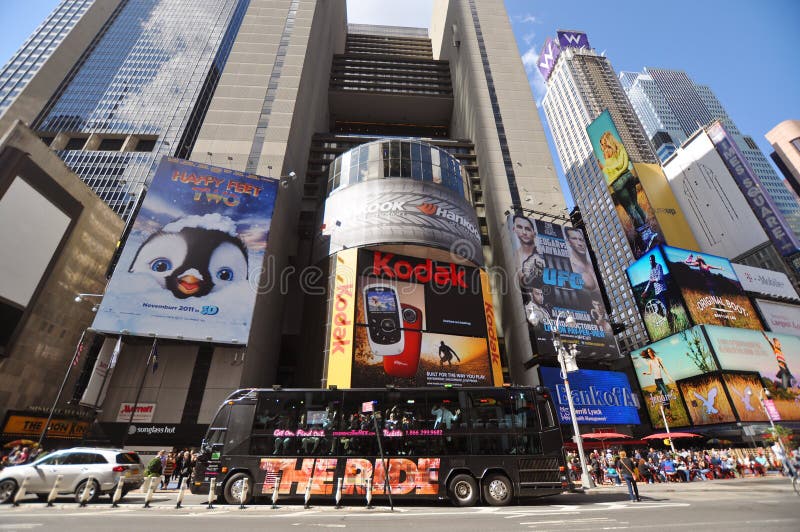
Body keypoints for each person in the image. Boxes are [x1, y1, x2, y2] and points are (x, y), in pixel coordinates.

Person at [597, 130, 656, 251]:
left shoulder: (607, 153)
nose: (603, 147)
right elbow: (624, 163)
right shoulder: (621, 148)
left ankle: (646, 236)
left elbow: (610, 170)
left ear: (607, 142)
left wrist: (604, 168)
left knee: (630, 209)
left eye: (603, 144)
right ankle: (649, 231)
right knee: (636, 205)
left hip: (618, 182)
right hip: (628, 176)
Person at [640, 254, 675, 333]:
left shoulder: (659, 266)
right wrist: (645, 291)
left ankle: (672, 328)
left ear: (654, 260)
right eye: (649, 260)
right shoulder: (651, 270)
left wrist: (653, 280)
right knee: (658, 310)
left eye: (652, 260)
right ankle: (673, 316)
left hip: (663, 290)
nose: (651, 262)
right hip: (657, 293)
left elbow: (660, 278)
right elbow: (650, 281)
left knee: (666, 310)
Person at [565, 227, 599, 292]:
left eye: (581, 239)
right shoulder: (570, 267)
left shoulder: (594, 264)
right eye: (574, 239)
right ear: (568, 241)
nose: (580, 244)